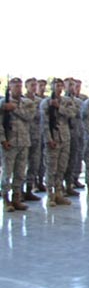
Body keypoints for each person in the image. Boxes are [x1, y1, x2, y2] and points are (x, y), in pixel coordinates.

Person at [40, 78, 79, 207]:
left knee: (62, 167)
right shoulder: (46, 103)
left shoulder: (66, 101)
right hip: (53, 139)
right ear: (51, 87)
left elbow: (73, 113)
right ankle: (50, 195)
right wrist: (48, 139)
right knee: (51, 168)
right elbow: (44, 123)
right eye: (56, 86)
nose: (59, 88)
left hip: (65, 138)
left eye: (61, 86)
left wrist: (59, 107)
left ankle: (58, 193)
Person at [2, 78, 37, 211]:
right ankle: (6, 200)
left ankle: (17, 198)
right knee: (7, 173)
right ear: (10, 88)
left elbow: (29, 116)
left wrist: (14, 108)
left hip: (24, 142)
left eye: (19, 86)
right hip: (9, 143)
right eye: (15, 86)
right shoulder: (3, 104)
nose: (18, 88)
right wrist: (3, 140)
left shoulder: (27, 103)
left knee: (20, 173)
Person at [23, 77, 43, 200]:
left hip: (36, 135)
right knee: (21, 166)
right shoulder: (21, 100)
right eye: (31, 85)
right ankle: (18, 192)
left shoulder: (40, 101)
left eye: (35, 85)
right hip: (23, 136)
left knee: (34, 164)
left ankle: (29, 189)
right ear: (26, 86)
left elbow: (43, 117)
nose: (34, 87)